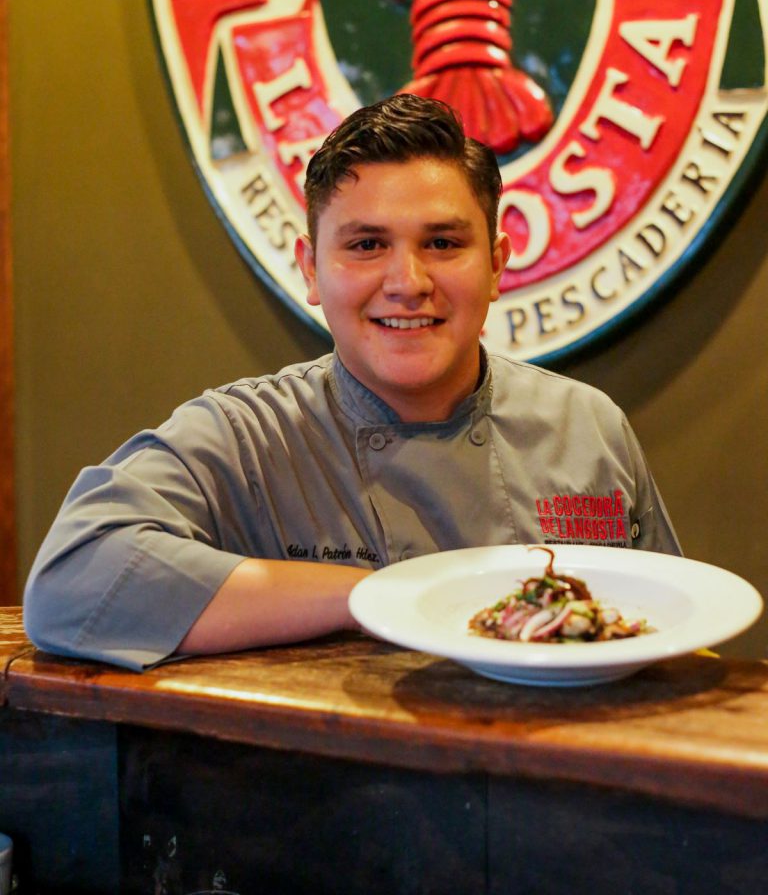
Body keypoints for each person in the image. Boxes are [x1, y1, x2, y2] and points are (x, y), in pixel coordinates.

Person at [23, 94, 681, 669]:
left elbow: (676, 629)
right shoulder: (246, 437)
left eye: (444, 243)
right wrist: (381, 596)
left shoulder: (589, 428)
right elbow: (71, 583)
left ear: (498, 263)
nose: (408, 282)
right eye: (366, 245)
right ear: (310, 269)